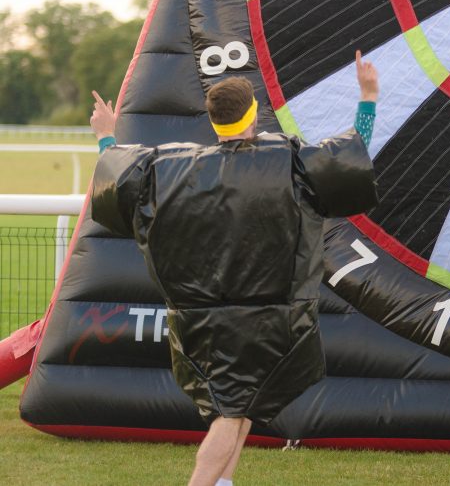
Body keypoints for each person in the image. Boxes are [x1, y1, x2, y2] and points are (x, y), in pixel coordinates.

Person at [88, 52, 379, 486]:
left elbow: (117, 183)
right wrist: (369, 96)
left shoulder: (166, 169)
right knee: (232, 413)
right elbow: (353, 151)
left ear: (214, 119)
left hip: (198, 321)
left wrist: (107, 137)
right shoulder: (289, 163)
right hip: (266, 321)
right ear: (253, 114)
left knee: (239, 407)